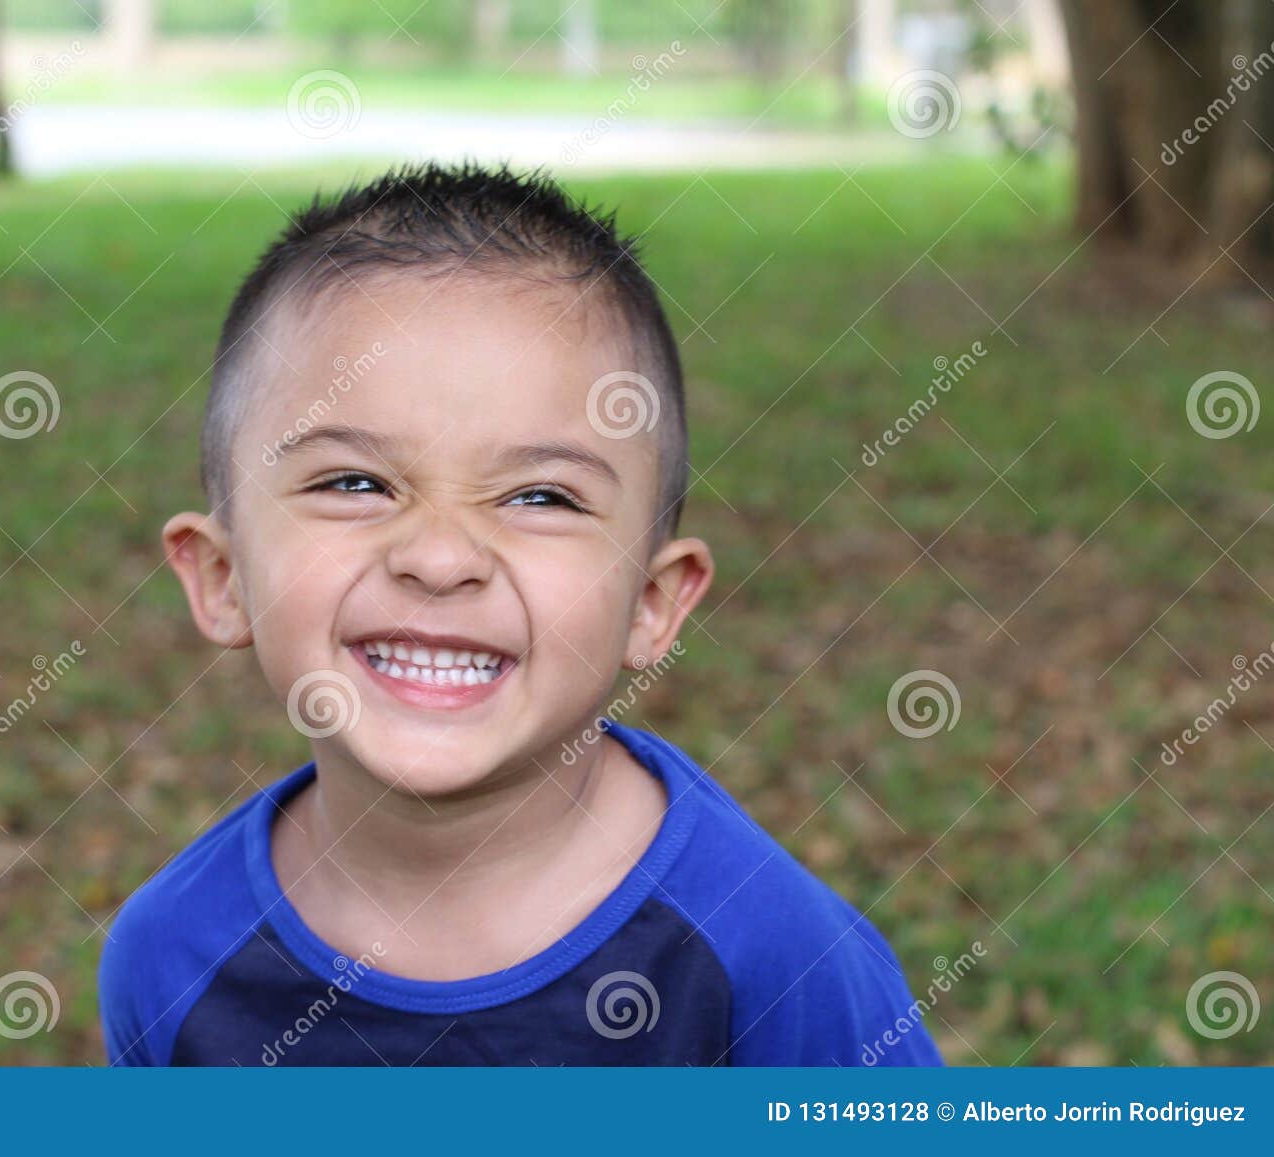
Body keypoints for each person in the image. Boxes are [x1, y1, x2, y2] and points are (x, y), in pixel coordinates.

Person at [99, 162, 942, 1066]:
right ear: (224, 577)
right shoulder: (173, 959)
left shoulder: (770, 962)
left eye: (541, 496)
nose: (440, 556)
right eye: (354, 482)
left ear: (650, 607)